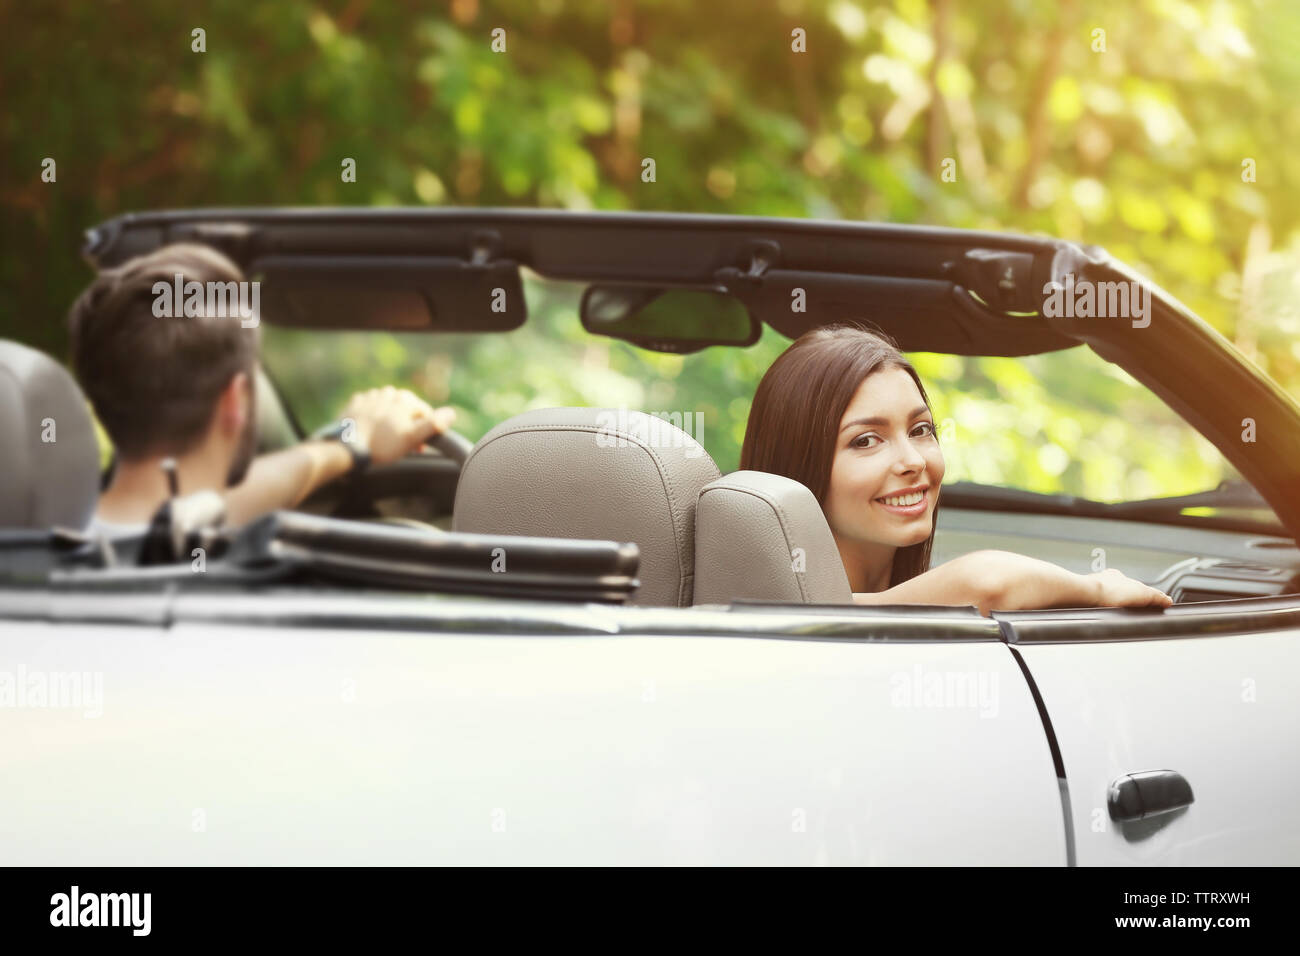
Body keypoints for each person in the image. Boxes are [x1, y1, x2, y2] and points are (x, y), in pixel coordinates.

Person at [740, 324, 1172, 615]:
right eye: (865, 440)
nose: (912, 461)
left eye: (920, 429)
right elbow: (986, 581)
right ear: (796, 469)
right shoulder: (794, 620)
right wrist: (1097, 588)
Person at [68, 243, 456, 536]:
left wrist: (348, 444)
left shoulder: (40, 535)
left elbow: (245, 495)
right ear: (235, 399)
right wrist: (353, 440)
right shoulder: (211, 544)